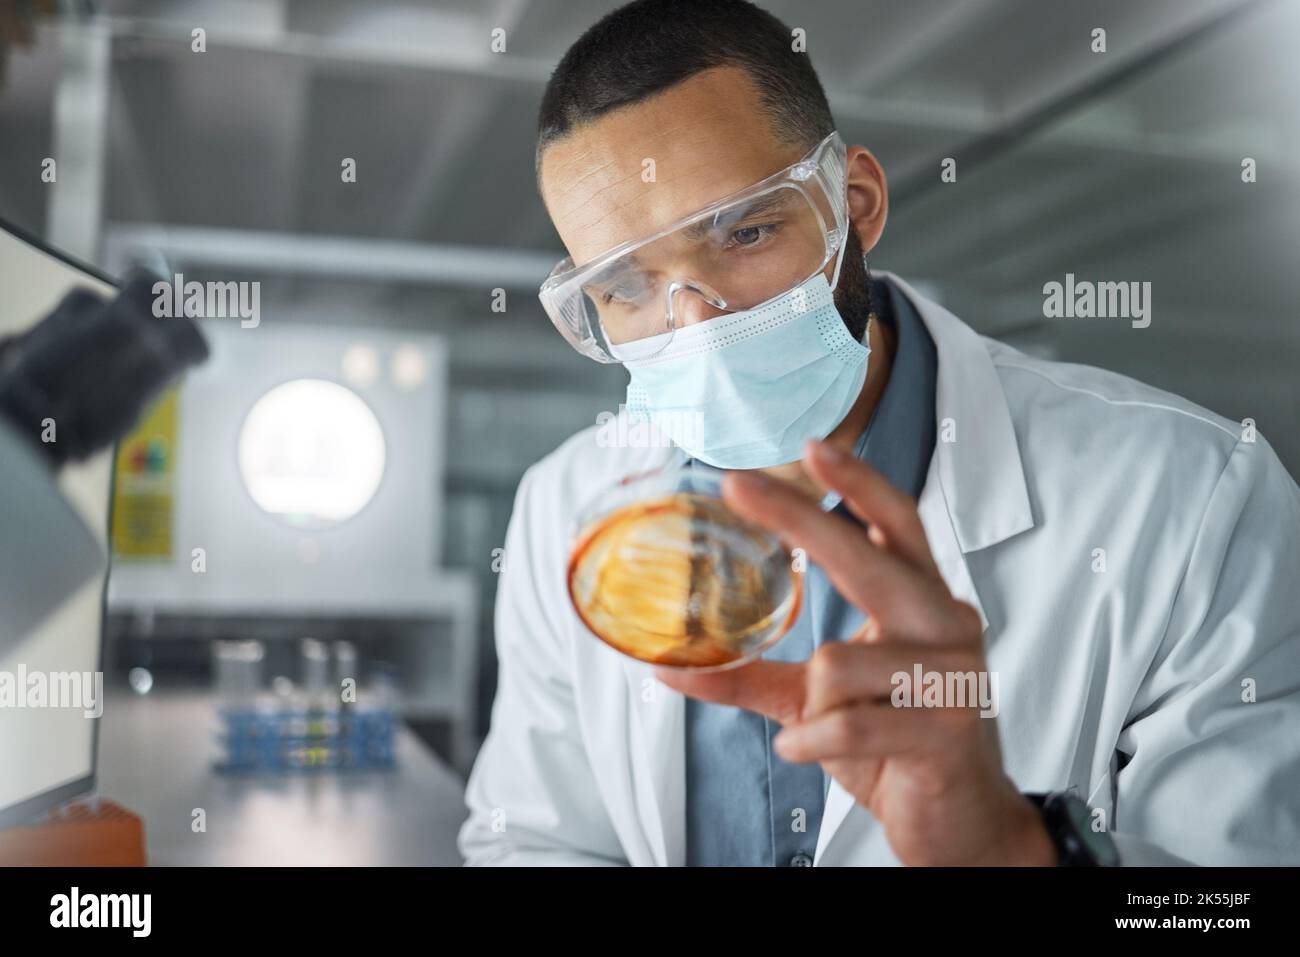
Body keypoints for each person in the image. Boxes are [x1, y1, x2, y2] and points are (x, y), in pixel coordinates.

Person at [458, 0, 1300, 866]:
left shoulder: (1192, 496)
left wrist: (1014, 850)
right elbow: (535, 838)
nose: (697, 325)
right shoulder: (563, 506)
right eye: (627, 286)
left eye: (744, 232)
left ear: (852, 206)